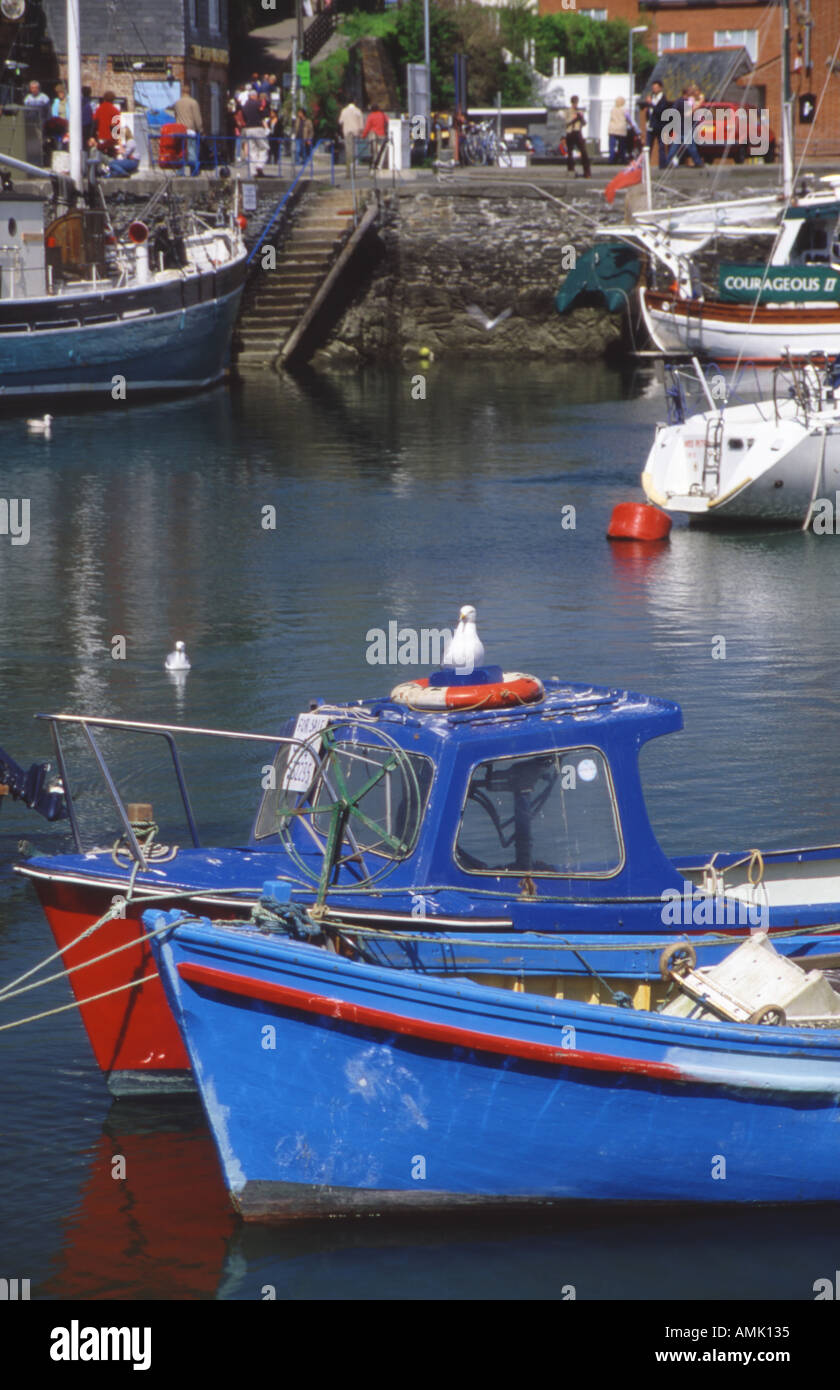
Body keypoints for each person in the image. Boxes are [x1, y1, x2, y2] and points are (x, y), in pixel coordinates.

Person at [173, 89, 203, 175]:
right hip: (190, 131)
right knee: (192, 152)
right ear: (189, 92)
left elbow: (175, 115)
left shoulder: (177, 103)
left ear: (182, 92)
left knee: (180, 152)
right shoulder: (193, 103)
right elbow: (197, 118)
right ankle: (194, 172)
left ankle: (180, 172)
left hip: (179, 131)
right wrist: (200, 129)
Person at [639, 80, 666, 162]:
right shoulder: (652, 97)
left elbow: (660, 111)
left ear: (660, 88)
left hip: (659, 125)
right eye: (653, 87)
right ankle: (645, 164)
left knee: (661, 146)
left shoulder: (663, 99)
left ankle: (662, 164)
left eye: (656, 87)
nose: (654, 89)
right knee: (648, 145)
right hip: (651, 125)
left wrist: (651, 104)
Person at [564, 96, 590, 178]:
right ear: (572, 103)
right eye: (574, 103)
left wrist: (581, 118)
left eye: (576, 103)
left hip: (578, 131)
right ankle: (571, 169)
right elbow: (567, 123)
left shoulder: (579, 111)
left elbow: (584, 123)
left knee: (583, 151)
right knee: (570, 152)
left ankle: (587, 171)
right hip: (570, 132)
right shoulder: (568, 111)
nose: (575, 104)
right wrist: (575, 119)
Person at [338, 97, 363, 178]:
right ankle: (353, 173)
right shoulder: (358, 111)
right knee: (355, 153)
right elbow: (361, 124)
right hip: (356, 132)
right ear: (354, 102)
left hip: (347, 132)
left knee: (348, 152)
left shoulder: (344, 111)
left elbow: (340, 121)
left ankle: (348, 172)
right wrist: (360, 132)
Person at [93, 90, 121, 156]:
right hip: (110, 139)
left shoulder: (99, 109)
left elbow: (94, 122)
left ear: (104, 98)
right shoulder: (115, 110)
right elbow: (117, 127)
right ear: (113, 99)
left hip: (100, 137)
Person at [361, 102, 387, 169]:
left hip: (373, 135)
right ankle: (379, 165)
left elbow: (367, 127)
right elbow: (388, 122)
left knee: (373, 151)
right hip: (382, 135)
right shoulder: (383, 115)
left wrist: (363, 135)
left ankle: (374, 164)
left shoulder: (370, 116)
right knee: (381, 151)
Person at [608, 96, 628, 164]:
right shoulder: (624, 110)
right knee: (621, 145)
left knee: (612, 146)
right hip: (621, 129)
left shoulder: (612, 109)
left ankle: (611, 159)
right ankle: (622, 159)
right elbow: (629, 119)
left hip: (612, 128)